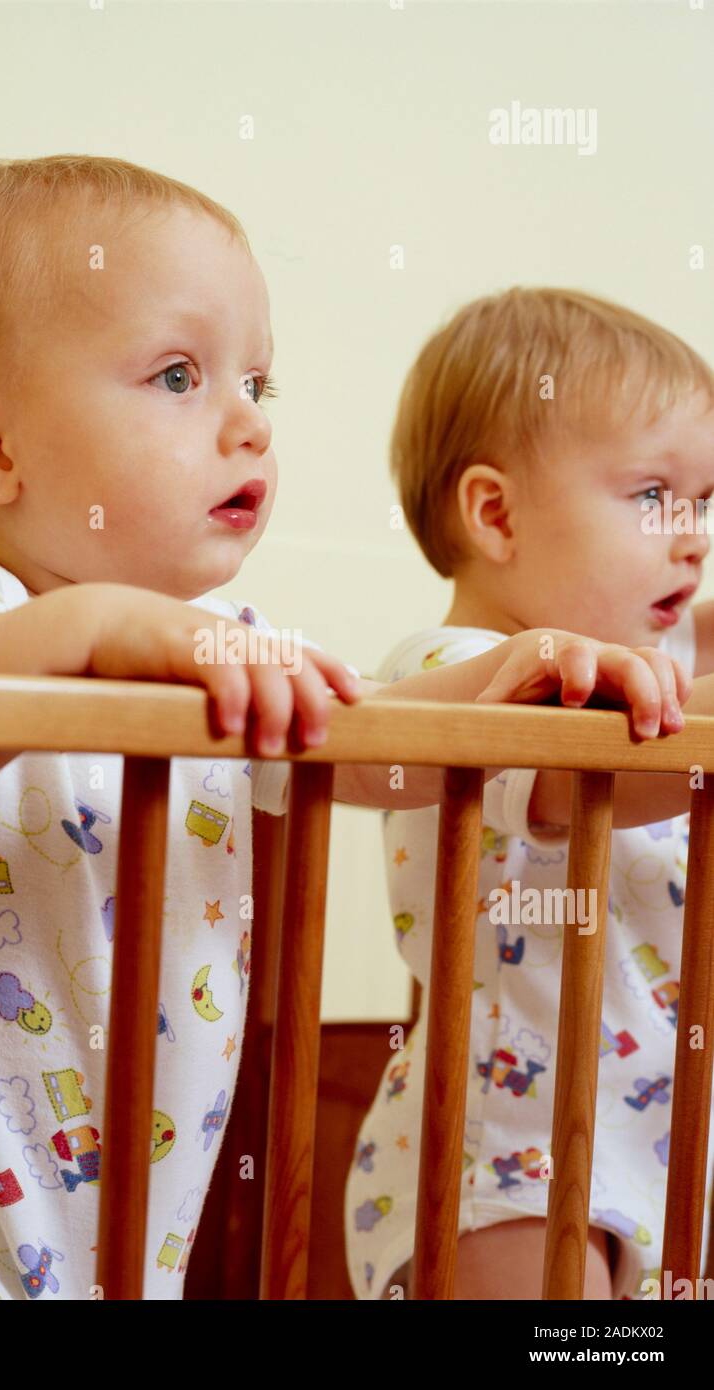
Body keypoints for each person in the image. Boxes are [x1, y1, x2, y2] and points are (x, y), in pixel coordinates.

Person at [0, 166, 685, 1301]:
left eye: (257, 380)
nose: (249, 421)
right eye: (177, 374)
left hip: (118, 1249)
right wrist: (81, 629)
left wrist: (506, 681)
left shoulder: (227, 644)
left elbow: (364, 751)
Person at [345, 286, 714, 1301]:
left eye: (702, 503)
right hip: (501, 1163)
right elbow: (596, 776)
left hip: (630, 1148)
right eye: (650, 497)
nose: (688, 536)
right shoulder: (461, 667)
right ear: (495, 514)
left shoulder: (632, 669)